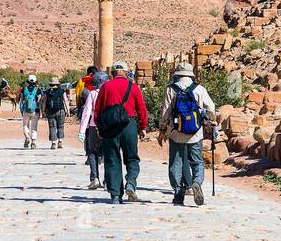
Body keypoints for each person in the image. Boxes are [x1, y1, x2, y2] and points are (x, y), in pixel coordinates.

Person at [157, 63, 218, 206]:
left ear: (177, 74)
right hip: (195, 132)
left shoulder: (171, 89)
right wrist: (211, 121)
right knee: (196, 161)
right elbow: (211, 108)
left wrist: (162, 130)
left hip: (176, 132)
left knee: (176, 162)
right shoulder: (199, 89)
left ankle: (179, 193)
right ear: (191, 74)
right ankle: (196, 183)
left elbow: (165, 112)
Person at [93, 61, 148, 203]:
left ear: (112, 73)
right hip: (128, 124)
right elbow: (141, 108)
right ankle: (131, 182)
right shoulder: (133, 87)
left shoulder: (105, 87)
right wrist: (143, 126)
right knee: (132, 158)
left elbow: (98, 109)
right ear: (127, 72)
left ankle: (116, 195)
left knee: (112, 159)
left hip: (110, 126)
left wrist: (99, 127)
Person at [76, 70, 109, 189]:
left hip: (94, 125)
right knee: (107, 154)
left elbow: (86, 112)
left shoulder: (93, 93)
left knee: (92, 152)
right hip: (108, 127)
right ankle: (107, 179)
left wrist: (82, 130)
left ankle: (95, 178)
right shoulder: (110, 93)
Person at [41, 76, 69, 149]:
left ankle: (53, 143)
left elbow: (44, 102)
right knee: (61, 126)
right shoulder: (62, 91)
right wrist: (68, 110)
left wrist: (43, 111)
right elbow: (65, 101)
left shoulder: (47, 92)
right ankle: (60, 141)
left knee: (52, 127)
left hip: (50, 112)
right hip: (60, 111)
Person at [18, 75, 41, 149]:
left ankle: (27, 137)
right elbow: (39, 100)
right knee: (34, 126)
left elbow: (21, 100)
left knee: (25, 125)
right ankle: (33, 142)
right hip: (35, 110)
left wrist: (21, 109)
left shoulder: (24, 89)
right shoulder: (37, 89)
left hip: (26, 110)